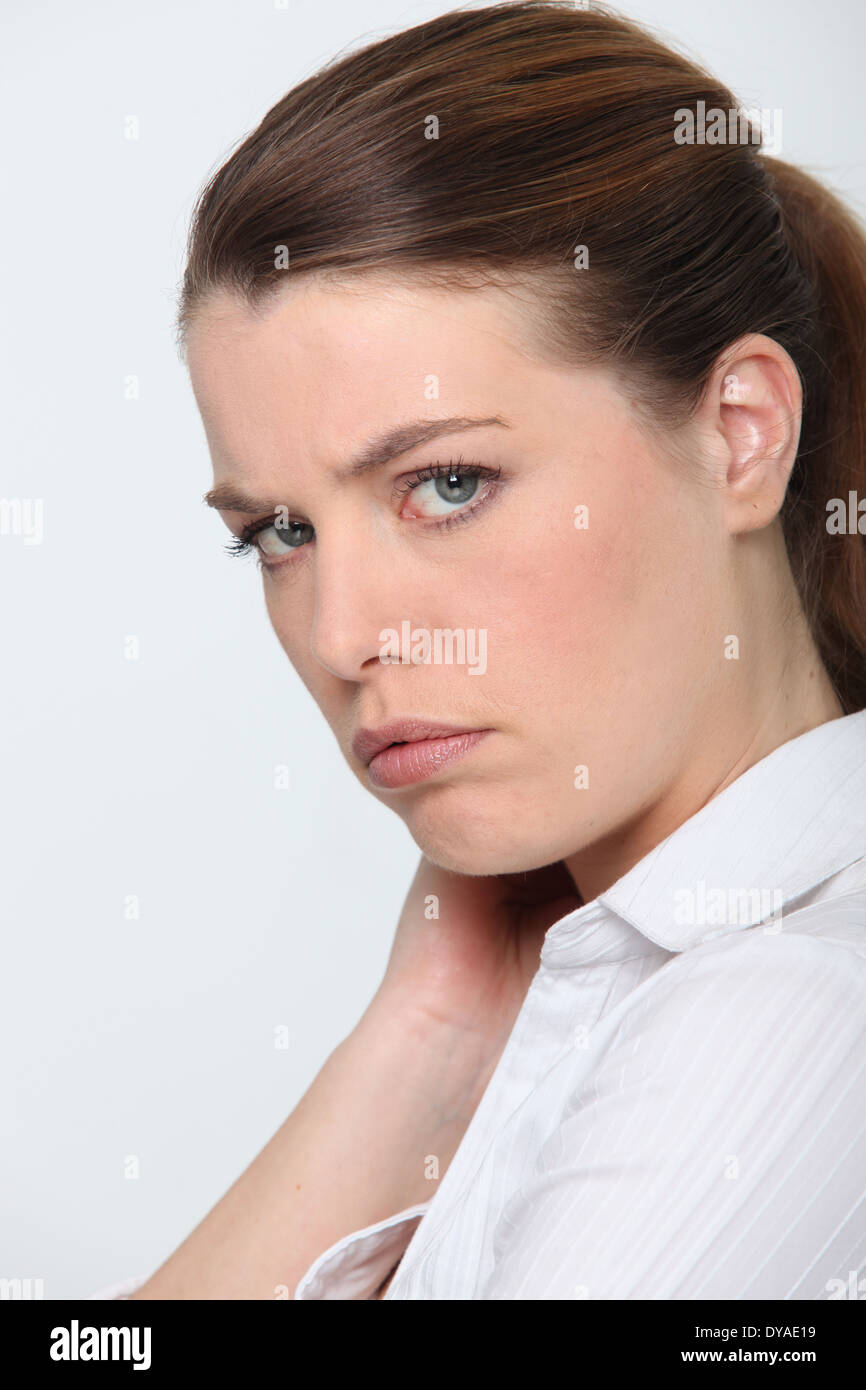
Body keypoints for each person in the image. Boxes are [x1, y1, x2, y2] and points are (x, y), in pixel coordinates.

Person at [90, 1, 866, 1299]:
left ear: (738, 433)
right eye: (279, 530)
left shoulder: (783, 1010)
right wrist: (425, 1036)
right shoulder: (595, 981)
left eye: (445, 483)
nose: (341, 635)